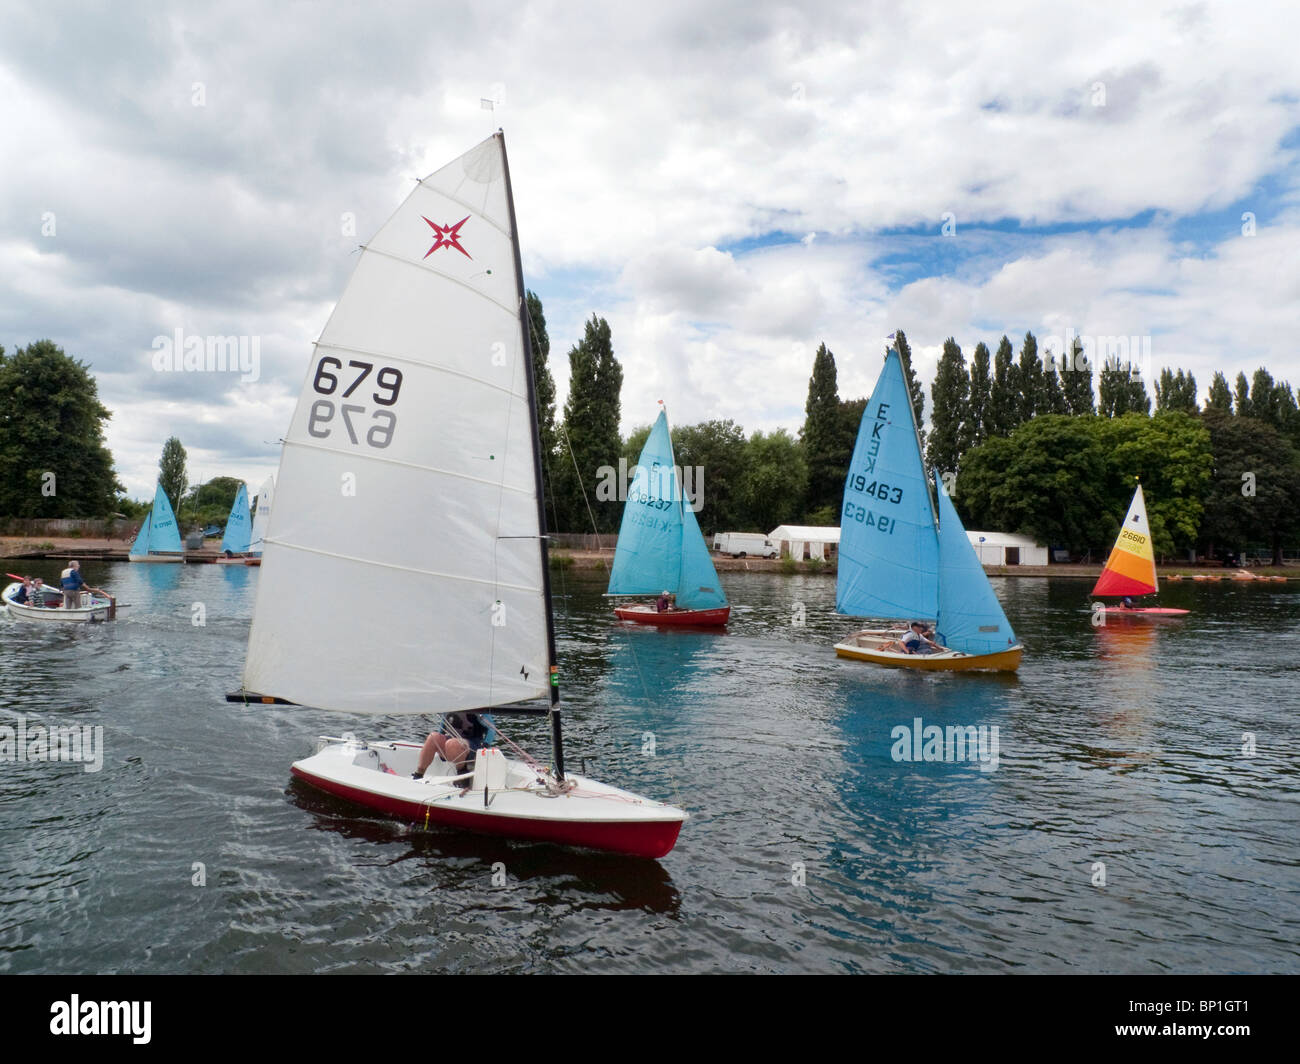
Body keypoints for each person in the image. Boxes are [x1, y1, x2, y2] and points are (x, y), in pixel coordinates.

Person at [413, 711, 490, 779]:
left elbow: (491, 729)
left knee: (452, 744)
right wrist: (439, 738)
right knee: (433, 737)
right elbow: (443, 725)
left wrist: (486, 744)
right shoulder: (451, 705)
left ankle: (462, 776)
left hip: (472, 745)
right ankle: (419, 774)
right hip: (451, 742)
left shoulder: (478, 707)